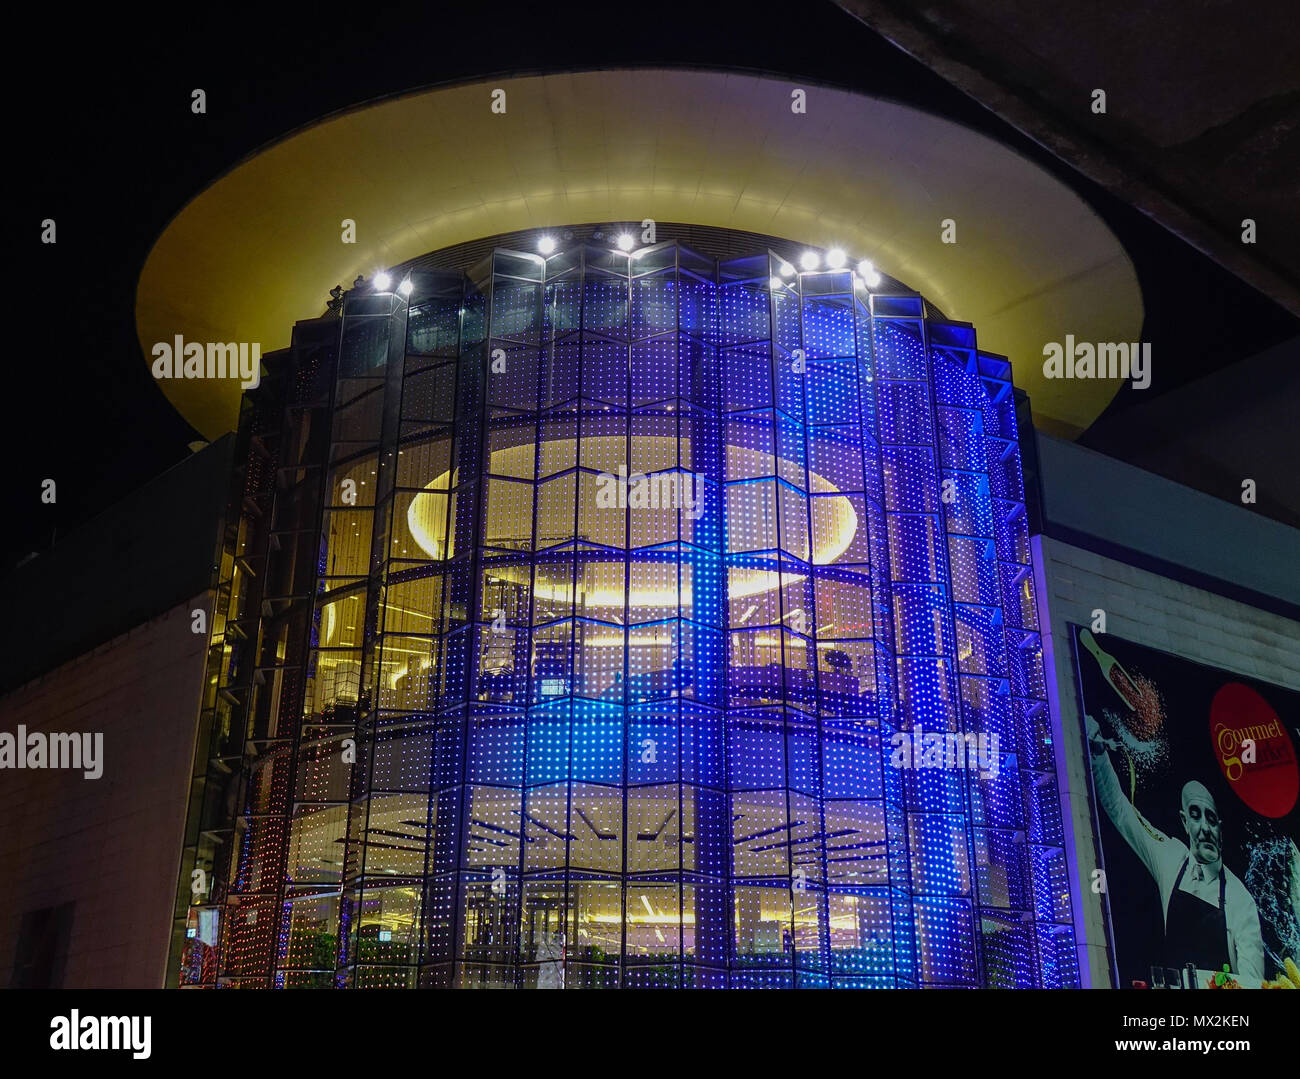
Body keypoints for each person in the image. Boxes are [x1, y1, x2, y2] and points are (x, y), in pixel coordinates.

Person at [1086, 715, 1264, 984]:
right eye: (1195, 815)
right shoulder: (1171, 858)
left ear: (1220, 828)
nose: (1204, 827)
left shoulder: (1241, 900)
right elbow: (1122, 812)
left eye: (1211, 818)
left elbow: (1254, 982)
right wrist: (1098, 757)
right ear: (1184, 821)